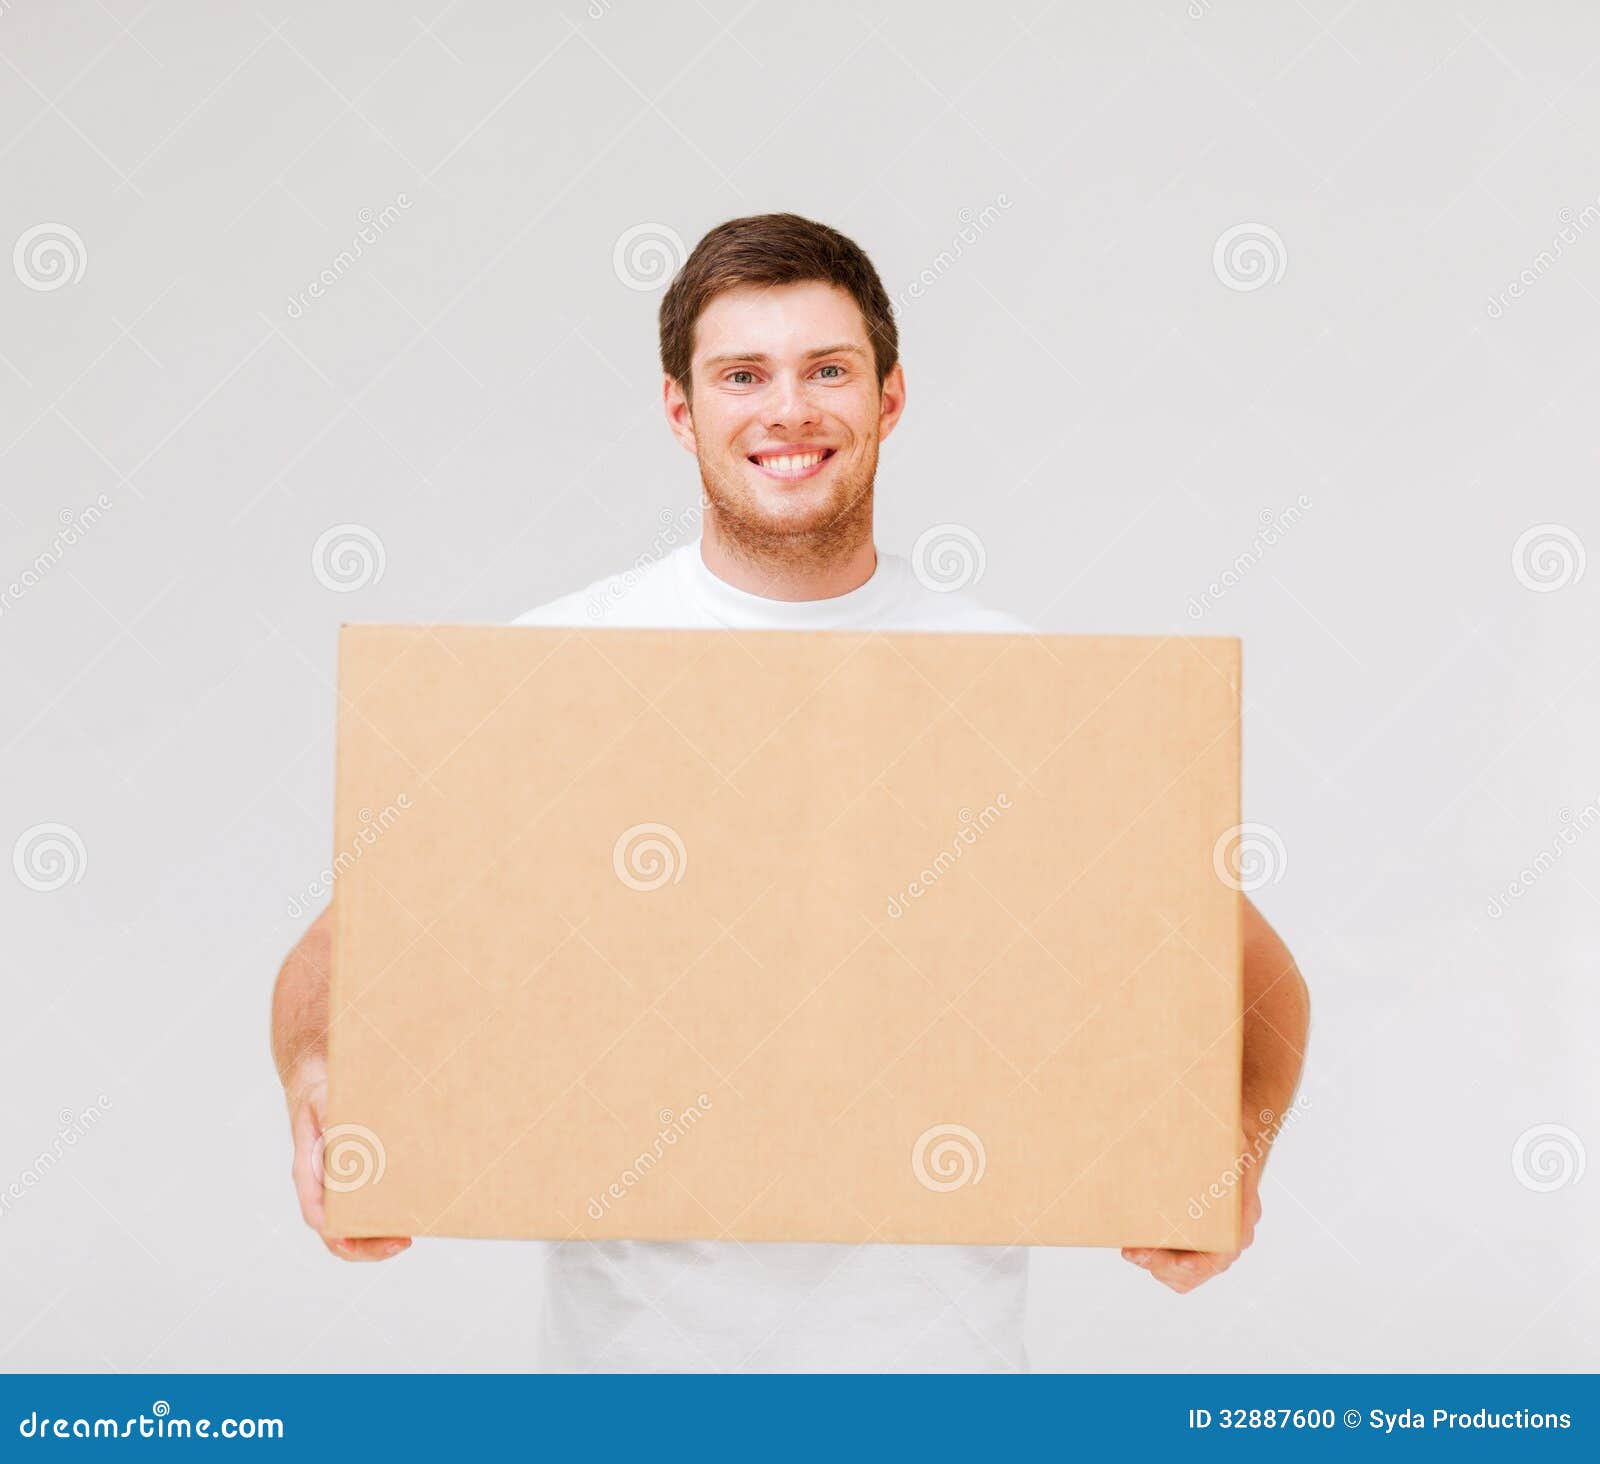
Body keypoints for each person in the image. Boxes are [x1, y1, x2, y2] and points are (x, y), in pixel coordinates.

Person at [271, 212, 1312, 1372]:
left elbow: (1256, 975)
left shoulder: (1009, 683)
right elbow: (343, 948)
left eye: (828, 369)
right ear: (682, 411)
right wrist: (326, 1093)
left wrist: (1230, 1150)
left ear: (890, 398)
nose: (788, 410)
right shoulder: (563, 669)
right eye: (742, 375)